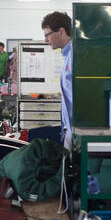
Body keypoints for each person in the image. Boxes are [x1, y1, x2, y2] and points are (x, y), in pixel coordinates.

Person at [41, 10, 74, 139]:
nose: (45, 40)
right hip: (69, 129)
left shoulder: (73, 56)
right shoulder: (67, 55)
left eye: (47, 35)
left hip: (75, 130)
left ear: (61, 32)